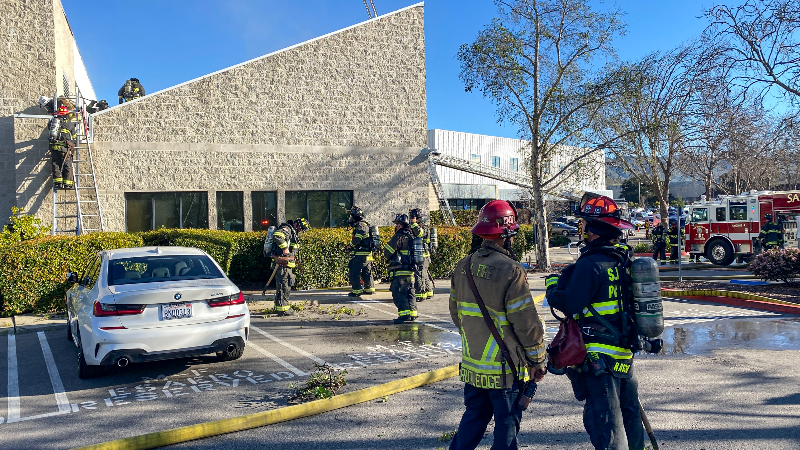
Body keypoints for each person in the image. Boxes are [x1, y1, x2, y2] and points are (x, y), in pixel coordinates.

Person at [545, 193, 645, 450]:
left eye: (584, 225)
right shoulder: (624, 262)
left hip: (598, 358)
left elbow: (569, 303)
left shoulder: (591, 265)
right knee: (630, 414)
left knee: (606, 424)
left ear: (592, 229)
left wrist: (552, 287)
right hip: (623, 353)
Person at [448, 200, 546, 450]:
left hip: (473, 367)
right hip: (504, 372)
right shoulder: (511, 270)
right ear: (507, 234)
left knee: (472, 421)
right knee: (506, 427)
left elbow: (456, 314)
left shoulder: (463, 266)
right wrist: (537, 360)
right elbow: (526, 324)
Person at [270, 218, 309, 316]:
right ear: (297, 224)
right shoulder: (287, 229)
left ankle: (281, 306)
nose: (300, 231)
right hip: (282, 265)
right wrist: (285, 248)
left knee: (285, 285)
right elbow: (277, 236)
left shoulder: (293, 233)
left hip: (286, 265)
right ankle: (283, 309)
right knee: (284, 286)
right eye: (301, 228)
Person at [383, 213, 417, 324]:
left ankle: (404, 315)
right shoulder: (412, 236)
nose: (396, 226)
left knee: (399, 292)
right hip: (411, 270)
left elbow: (388, 252)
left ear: (401, 225)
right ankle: (413, 314)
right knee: (410, 292)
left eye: (397, 224)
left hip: (401, 270)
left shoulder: (399, 236)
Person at [47, 103, 77, 190]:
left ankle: (58, 183)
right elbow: (74, 136)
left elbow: (49, 128)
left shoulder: (54, 121)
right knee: (67, 164)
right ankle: (68, 184)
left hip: (54, 146)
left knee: (56, 164)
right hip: (64, 147)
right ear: (67, 114)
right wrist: (72, 143)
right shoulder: (69, 123)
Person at [347, 206, 375, 297]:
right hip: (367, 254)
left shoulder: (360, 225)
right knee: (367, 272)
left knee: (354, 271)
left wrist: (352, 244)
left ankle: (357, 290)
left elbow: (357, 240)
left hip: (361, 254)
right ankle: (369, 289)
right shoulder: (365, 224)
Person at [409, 208, 433, 301]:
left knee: (419, 275)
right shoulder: (419, 226)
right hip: (423, 255)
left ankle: (420, 294)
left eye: (413, 217)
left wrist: (414, 224)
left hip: (422, 256)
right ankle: (428, 291)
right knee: (424, 275)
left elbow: (419, 233)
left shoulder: (422, 227)